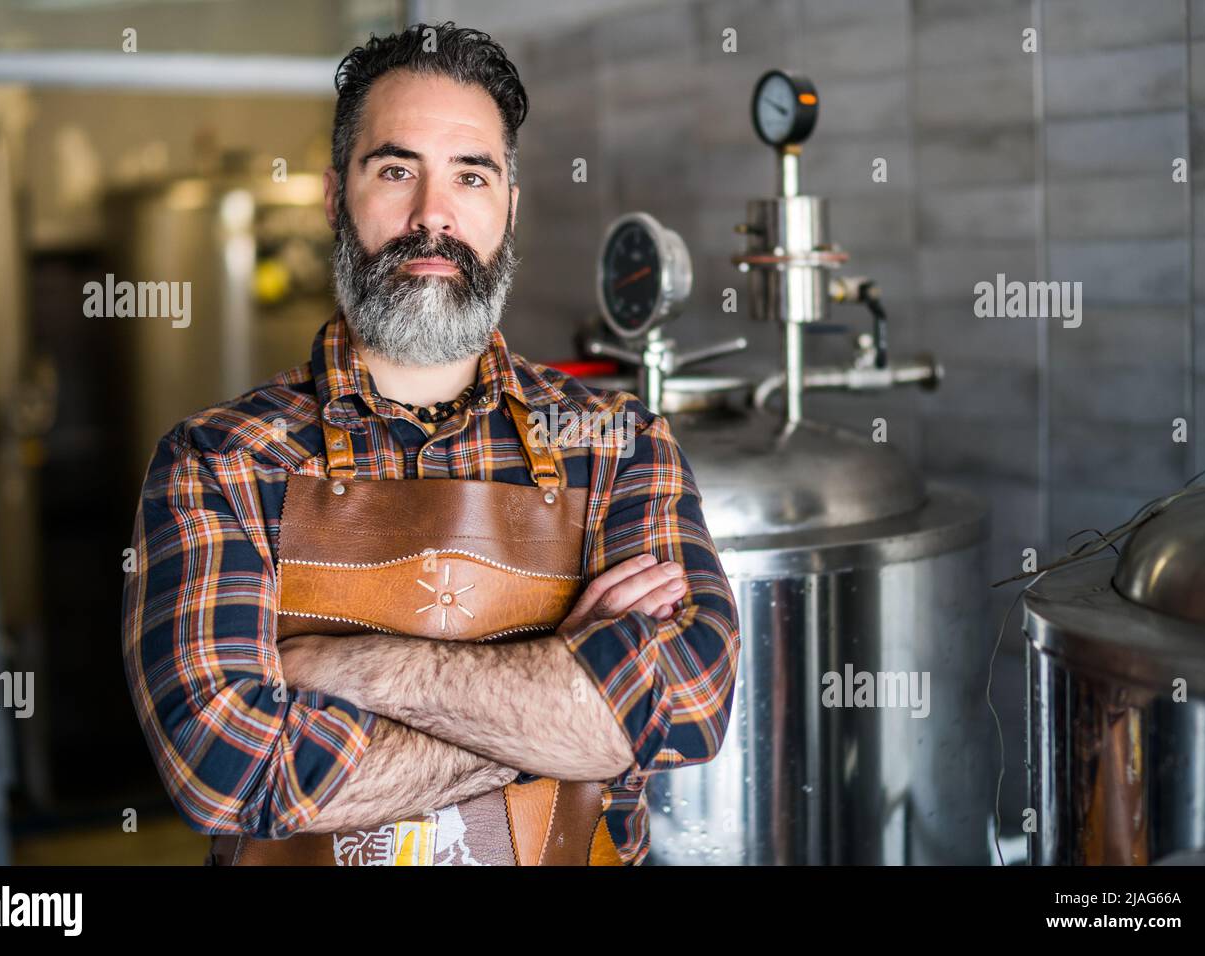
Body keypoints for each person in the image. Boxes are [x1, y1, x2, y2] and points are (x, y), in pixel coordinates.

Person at [120, 21, 740, 866]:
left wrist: (358, 671)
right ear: (337, 197)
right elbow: (234, 773)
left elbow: (691, 703)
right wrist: (565, 705)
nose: (432, 216)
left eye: (470, 175)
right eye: (396, 169)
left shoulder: (615, 442)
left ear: (509, 205)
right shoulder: (223, 461)